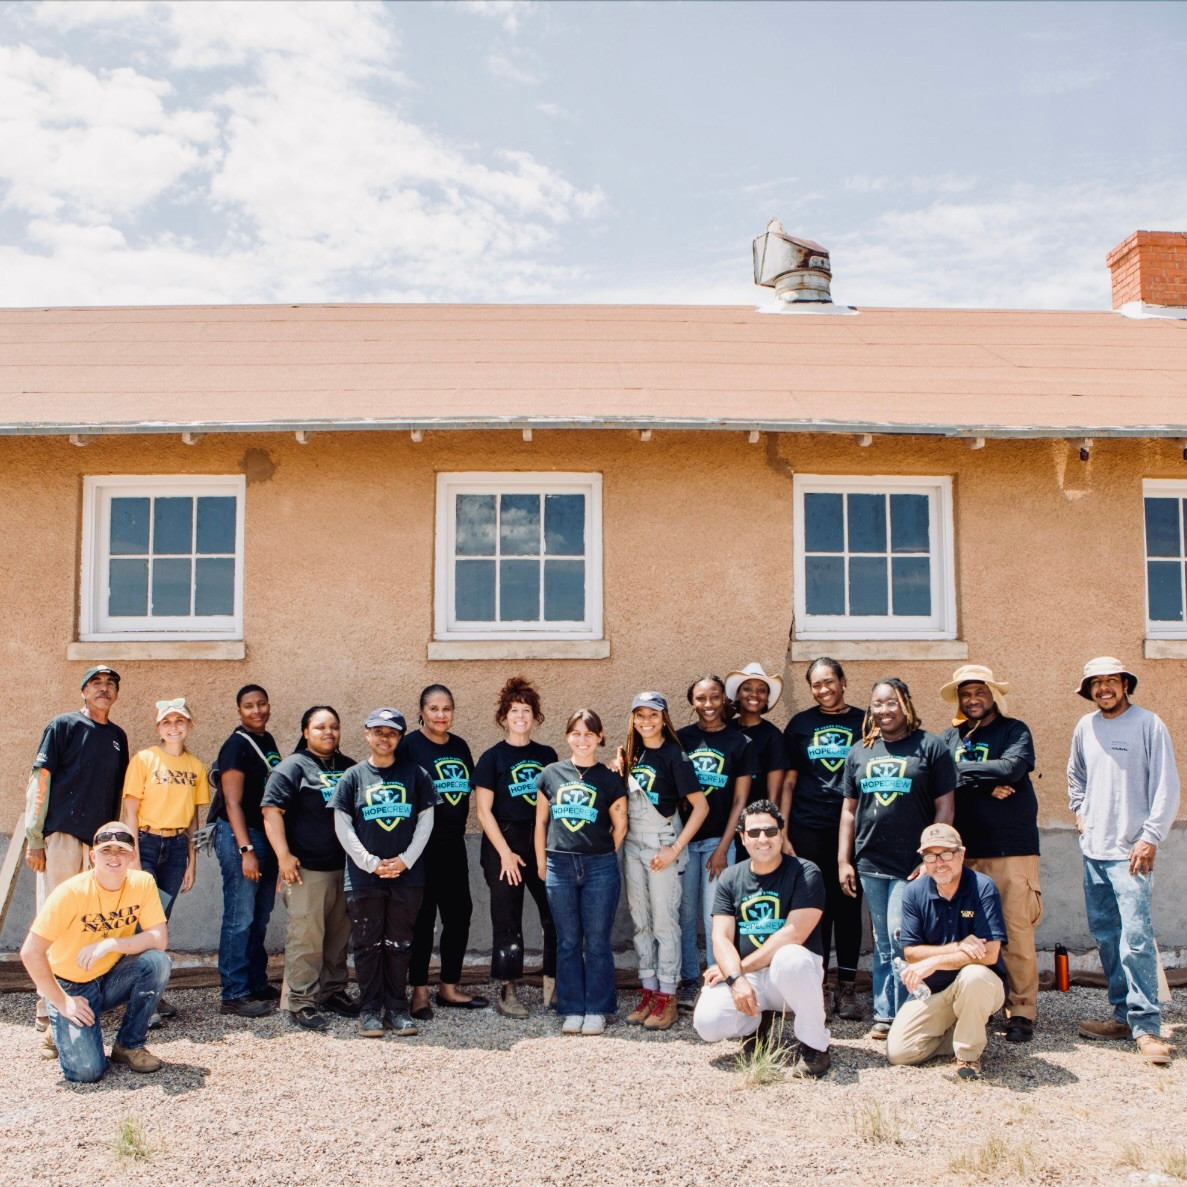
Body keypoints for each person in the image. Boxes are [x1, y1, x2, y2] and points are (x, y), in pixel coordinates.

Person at [1067, 656, 1179, 1066]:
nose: (1104, 689)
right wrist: (1080, 813)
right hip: (1094, 850)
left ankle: (1148, 1028)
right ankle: (1122, 1016)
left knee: (1135, 940)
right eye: (1096, 683)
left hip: (1132, 852)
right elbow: (1075, 775)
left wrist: (1150, 838)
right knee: (1108, 937)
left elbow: (1167, 786)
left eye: (1111, 681)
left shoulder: (1149, 724)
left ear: (1125, 684)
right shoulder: (1085, 726)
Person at [839, 678, 956, 1039]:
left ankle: (910, 1016)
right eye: (877, 704)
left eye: (891, 703)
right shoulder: (860, 750)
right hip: (871, 861)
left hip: (912, 864)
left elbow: (945, 805)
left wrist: (932, 857)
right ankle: (886, 1014)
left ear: (905, 704)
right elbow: (848, 810)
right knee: (882, 939)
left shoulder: (930, 746)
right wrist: (844, 860)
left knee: (900, 935)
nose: (884, 710)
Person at [20, 822, 171, 1082]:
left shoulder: (143, 882)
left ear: (132, 856)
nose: (114, 857)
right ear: (93, 856)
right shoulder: (71, 892)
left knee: (157, 962)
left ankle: (129, 1045)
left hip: (110, 975)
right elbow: (30, 952)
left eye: (122, 850)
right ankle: (60, 1023)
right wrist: (62, 1001)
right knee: (87, 1072)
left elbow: (159, 938)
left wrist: (112, 943)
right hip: (72, 985)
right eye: (106, 850)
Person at [938, 664, 1041, 1043]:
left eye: (979, 692)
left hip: (1011, 846)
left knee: (1015, 929)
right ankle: (977, 1005)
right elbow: (939, 775)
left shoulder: (1015, 730)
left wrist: (966, 775)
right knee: (968, 932)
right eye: (966, 694)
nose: (973, 699)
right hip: (963, 853)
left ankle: (1022, 1010)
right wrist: (985, 783)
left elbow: (1013, 767)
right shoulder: (949, 736)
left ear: (992, 694)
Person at [25, 665, 129, 1036]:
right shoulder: (63, 726)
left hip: (98, 848)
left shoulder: (118, 736)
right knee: (55, 922)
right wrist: (35, 837)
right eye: (96, 684)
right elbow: (41, 780)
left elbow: (116, 794)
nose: (104, 689)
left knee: (89, 925)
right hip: (63, 838)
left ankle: (81, 1000)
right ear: (84, 692)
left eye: (110, 684)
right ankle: (47, 1009)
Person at [692, 800, 831, 1078]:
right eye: (754, 833)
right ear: (742, 838)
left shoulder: (806, 872)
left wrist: (735, 971)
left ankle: (815, 1046)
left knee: (789, 957)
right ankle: (755, 1026)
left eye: (770, 831)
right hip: (752, 978)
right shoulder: (731, 877)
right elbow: (720, 937)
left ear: (782, 833)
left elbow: (794, 933)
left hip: (792, 976)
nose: (763, 839)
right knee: (707, 1023)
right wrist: (736, 979)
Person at [330, 708, 435, 1038]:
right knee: (366, 944)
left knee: (400, 942)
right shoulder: (353, 776)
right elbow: (342, 825)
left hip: (407, 875)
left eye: (391, 732)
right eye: (378, 731)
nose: (384, 737)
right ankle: (370, 1010)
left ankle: (398, 1009)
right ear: (367, 734)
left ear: (400, 737)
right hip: (364, 877)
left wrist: (404, 860)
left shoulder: (416, 775)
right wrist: (370, 862)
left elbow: (426, 822)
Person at [261, 705, 359, 1031]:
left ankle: (333, 991)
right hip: (307, 871)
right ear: (306, 732)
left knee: (337, 937)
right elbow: (271, 812)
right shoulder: (293, 768)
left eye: (334, 726)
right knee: (306, 938)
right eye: (320, 727)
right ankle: (301, 1001)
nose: (328, 732)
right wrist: (283, 856)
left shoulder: (349, 768)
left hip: (344, 869)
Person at [781, 657, 867, 1021]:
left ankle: (846, 988)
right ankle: (814, 986)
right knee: (814, 909)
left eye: (829, 681)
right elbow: (787, 780)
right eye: (816, 684)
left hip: (853, 829)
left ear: (843, 682)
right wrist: (783, 830)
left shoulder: (866, 721)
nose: (823, 690)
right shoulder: (801, 724)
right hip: (807, 827)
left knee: (848, 907)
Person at [887, 824, 1008, 1082]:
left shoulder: (983, 887)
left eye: (946, 854)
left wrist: (934, 961)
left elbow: (989, 954)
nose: (938, 863)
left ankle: (968, 1056)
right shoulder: (914, 892)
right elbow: (911, 953)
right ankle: (965, 1026)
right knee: (900, 1053)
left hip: (982, 985)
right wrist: (958, 947)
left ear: (961, 855)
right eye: (930, 856)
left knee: (974, 975)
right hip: (936, 991)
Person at [534, 709, 628, 1036]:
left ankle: (598, 1008)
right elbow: (541, 822)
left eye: (589, 734)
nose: (582, 739)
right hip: (558, 863)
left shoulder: (609, 777)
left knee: (598, 941)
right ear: (567, 737)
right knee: (568, 940)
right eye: (576, 733)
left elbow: (620, 825)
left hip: (600, 866)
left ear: (600, 737)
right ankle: (572, 1007)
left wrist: (600, 854)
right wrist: (541, 862)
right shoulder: (551, 774)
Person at [619, 691, 708, 1031]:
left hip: (662, 846)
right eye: (640, 715)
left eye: (653, 715)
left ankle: (668, 995)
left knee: (664, 923)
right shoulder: (632, 755)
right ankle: (649, 990)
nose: (646, 721)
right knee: (640, 922)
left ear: (663, 718)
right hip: (633, 846)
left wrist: (674, 848)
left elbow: (701, 807)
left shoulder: (675, 755)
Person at [398, 685, 488, 1020]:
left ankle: (449, 986)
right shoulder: (409, 746)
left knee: (459, 915)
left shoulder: (460, 746)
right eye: (433, 708)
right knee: (422, 920)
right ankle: (419, 992)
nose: (440, 715)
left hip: (453, 844)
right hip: (420, 847)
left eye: (446, 708)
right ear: (421, 711)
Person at [473, 676, 559, 1020]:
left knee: (554, 914)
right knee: (507, 918)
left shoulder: (547, 755)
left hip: (540, 841)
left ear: (534, 715)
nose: (520, 716)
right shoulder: (492, 758)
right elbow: (482, 811)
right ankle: (509, 988)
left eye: (526, 710)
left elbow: (555, 802)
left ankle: (555, 981)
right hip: (502, 844)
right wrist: (506, 854)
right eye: (514, 710)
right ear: (504, 717)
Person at [120, 696, 209, 1024]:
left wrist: (192, 861)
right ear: (159, 727)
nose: (174, 727)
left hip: (174, 850)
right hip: (145, 842)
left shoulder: (196, 767)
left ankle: (150, 992)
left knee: (159, 924)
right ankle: (138, 1000)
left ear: (189, 726)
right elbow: (130, 810)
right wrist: (133, 857)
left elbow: (193, 820)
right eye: (167, 722)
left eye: (180, 721)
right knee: (140, 922)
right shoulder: (144, 760)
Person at [676, 675, 754, 1009]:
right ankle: (688, 979)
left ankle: (715, 979)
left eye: (715, 697)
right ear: (692, 701)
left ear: (725, 700)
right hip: (683, 840)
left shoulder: (740, 742)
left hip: (718, 843)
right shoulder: (680, 739)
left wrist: (724, 848)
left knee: (715, 916)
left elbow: (740, 801)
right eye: (701, 698)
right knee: (683, 913)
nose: (708, 705)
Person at [209, 684, 282, 1018]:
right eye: (249, 706)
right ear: (239, 711)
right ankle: (234, 992)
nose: (257, 711)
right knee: (240, 916)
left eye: (261, 704)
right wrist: (246, 850)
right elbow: (233, 803)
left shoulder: (267, 741)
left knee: (260, 914)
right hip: (242, 836)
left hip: (264, 835)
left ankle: (255, 981)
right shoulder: (236, 746)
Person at [725, 663, 789, 808]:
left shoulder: (773, 736)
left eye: (761, 690)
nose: (754, 694)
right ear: (737, 694)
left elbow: (774, 792)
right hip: (721, 812)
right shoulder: (725, 728)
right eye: (747, 689)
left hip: (753, 818)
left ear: (767, 698)